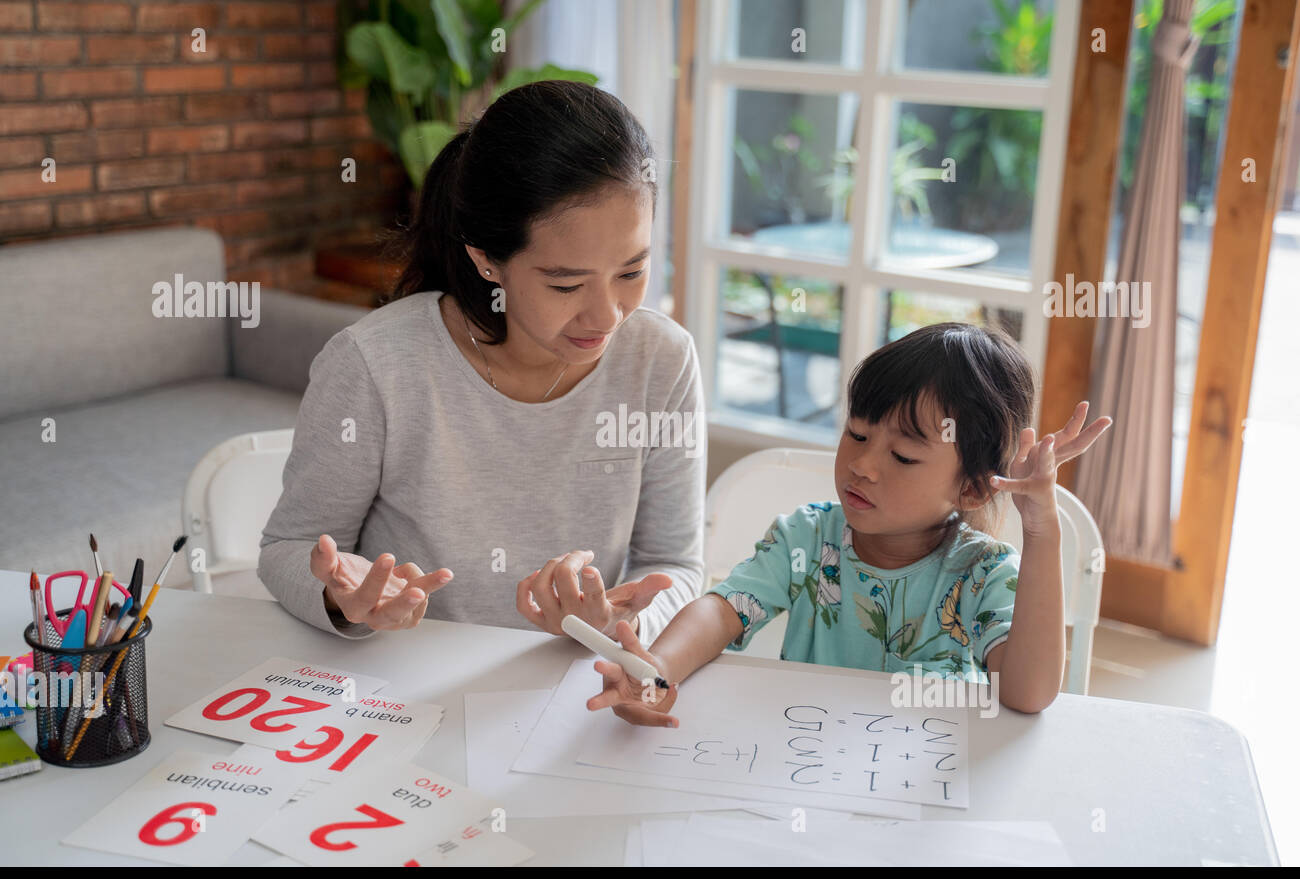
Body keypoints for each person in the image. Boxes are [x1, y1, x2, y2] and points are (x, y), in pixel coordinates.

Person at [258, 81, 705, 641]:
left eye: (631, 273)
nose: (607, 316)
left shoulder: (661, 359)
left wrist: (625, 620)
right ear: (486, 259)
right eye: (566, 284)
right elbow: (288, 549)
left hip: (571, 689)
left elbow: (676, 565)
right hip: (406, 687)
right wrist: (344, 598)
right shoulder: (376, 364)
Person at [585, 322, 1113, 720]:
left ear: (971, 487)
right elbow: (720, 612)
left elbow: (1030, 693)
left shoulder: (983, 574)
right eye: (857, 434)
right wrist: (658, 670)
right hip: (804, 771)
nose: (862, 465)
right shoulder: (808, 540)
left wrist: (1042, 529)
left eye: (903, 457)